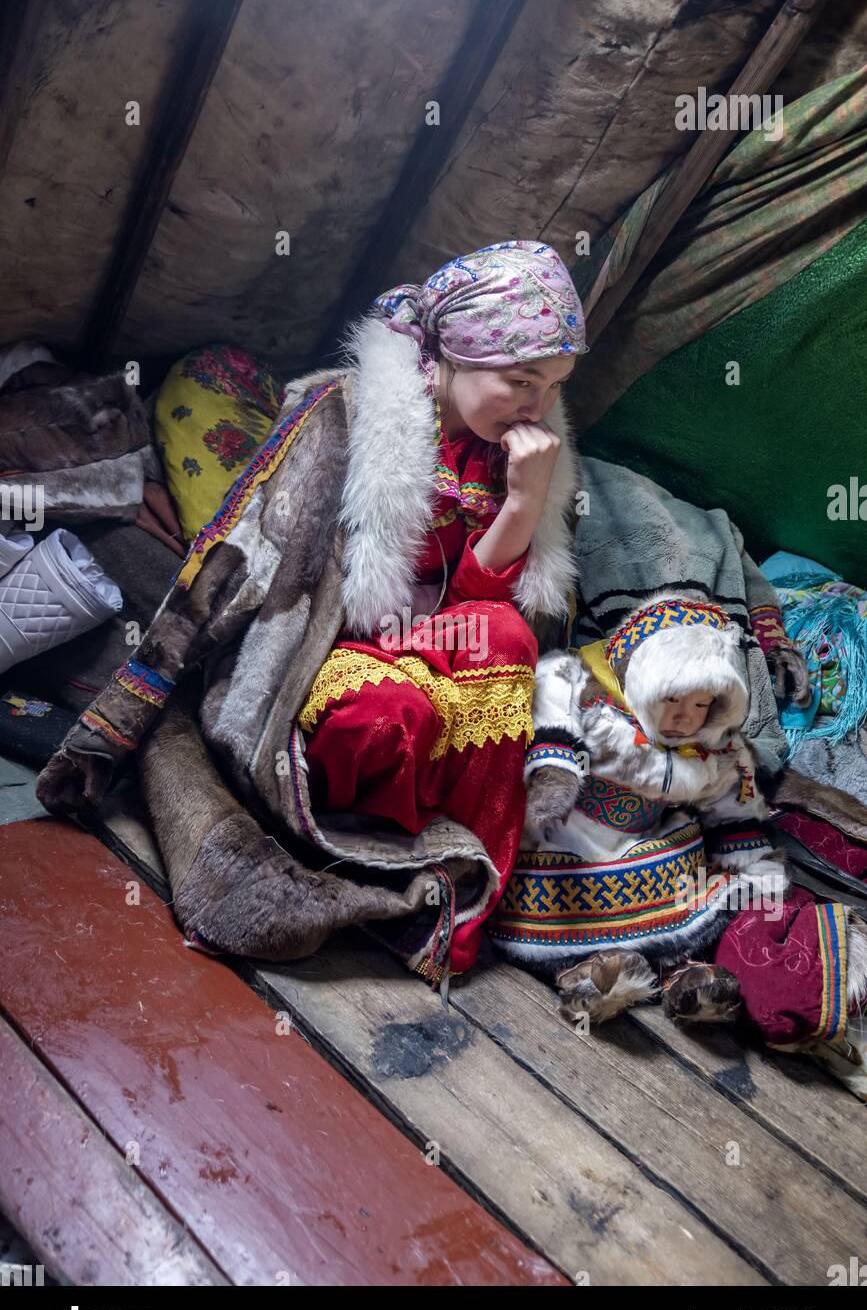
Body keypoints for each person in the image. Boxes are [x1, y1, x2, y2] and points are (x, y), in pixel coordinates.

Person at [36, 241, 587, 985]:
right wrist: (124, 719)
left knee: (508, 632)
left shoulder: (522, 460)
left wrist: (523, 502)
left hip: (435, 653)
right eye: (520, 381)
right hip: (322, 664)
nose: (537, 407)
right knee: (395, 710)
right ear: (448, 358)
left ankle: (455, 888)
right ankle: (386, 841)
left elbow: (482, 613)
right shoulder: (342, 416)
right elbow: (233, 563)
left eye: (553, 385)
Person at [490, 594, 867, 1092]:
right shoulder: (592, 697)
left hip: (651, 847)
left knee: (704, 890)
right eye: (673, 700)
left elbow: (733, 808)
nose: (684, 719)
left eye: (700, 706)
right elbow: (550, 683)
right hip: (570, 846)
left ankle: (686, 979)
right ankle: (591, 976)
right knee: (566, 908)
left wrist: (757, 872)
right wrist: (554, 766)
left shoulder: (714, 751)